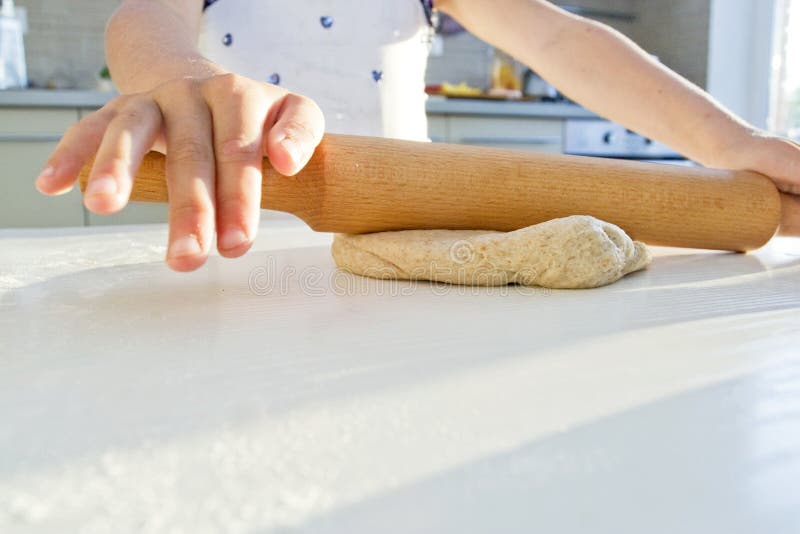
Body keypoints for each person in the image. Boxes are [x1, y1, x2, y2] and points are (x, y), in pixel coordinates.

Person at [35, 0, 800, 272]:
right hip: (251, 250)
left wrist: (730, 143)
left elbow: (559, 38)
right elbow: (143, 18)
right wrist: (179, 76)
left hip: (420, 244)